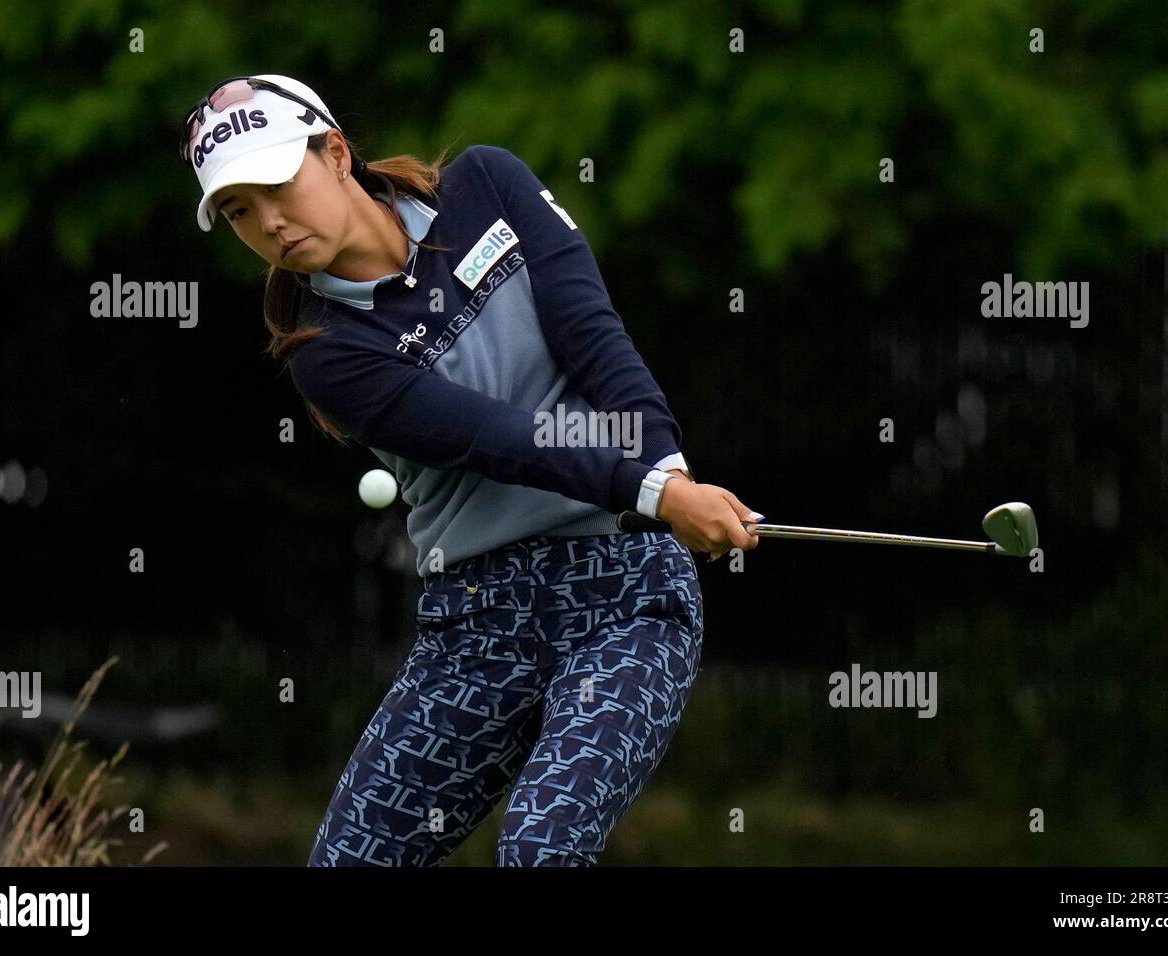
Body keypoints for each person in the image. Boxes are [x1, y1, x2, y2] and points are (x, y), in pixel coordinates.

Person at [180, 74, 763, 866]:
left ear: (337, 152)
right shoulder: (325, 353)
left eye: (279, 184)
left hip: (627, 593)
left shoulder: (487, 183)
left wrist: (671, 473)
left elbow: (595, 338)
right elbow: (503, 438)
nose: (271, 223)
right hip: (479, 622)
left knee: (540, 850)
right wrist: (659, 492)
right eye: (241, 210)